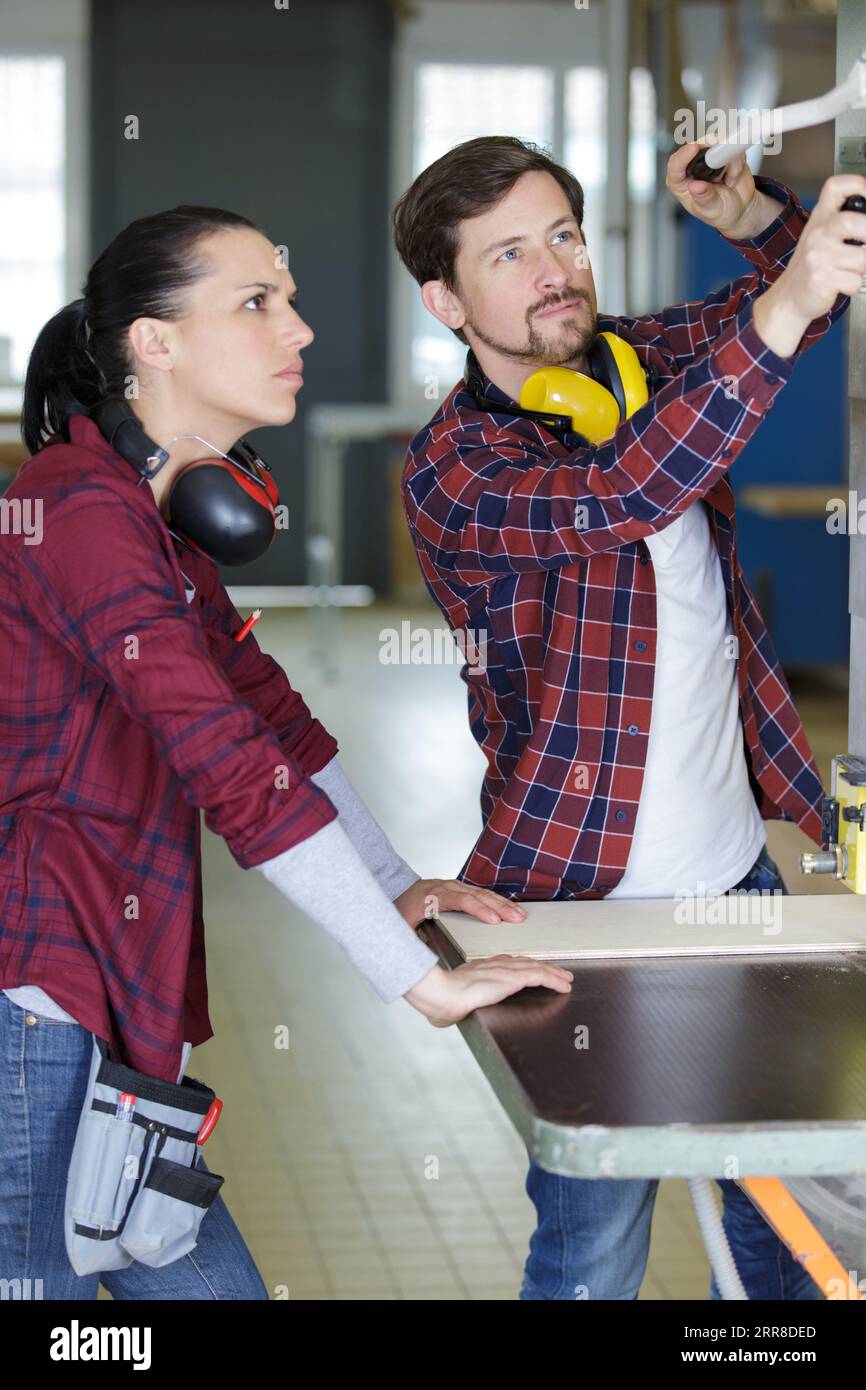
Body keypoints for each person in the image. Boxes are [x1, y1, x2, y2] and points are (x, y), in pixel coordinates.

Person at [0, 204, 574, 1300]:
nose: (299, 329)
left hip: (115, 988)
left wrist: (398, 887)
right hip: (37, 997)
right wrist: (410, 978)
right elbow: (221, 757)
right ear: (153, 342)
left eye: (290, 299)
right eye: (258, 302)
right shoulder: (75, 512)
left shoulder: (149, 523)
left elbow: (272, 722)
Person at [392, 133, 864, 1300]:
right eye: (506, 253)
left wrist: (754, 214)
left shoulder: (636, 358)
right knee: (592, 1250)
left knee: (783, 1238)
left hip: (735, 892)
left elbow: (793, 303)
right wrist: (781, 302)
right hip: (571, 916)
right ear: (443, 298)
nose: (553, 269)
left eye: (561, 233)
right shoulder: (454, 467)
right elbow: (624, 488)